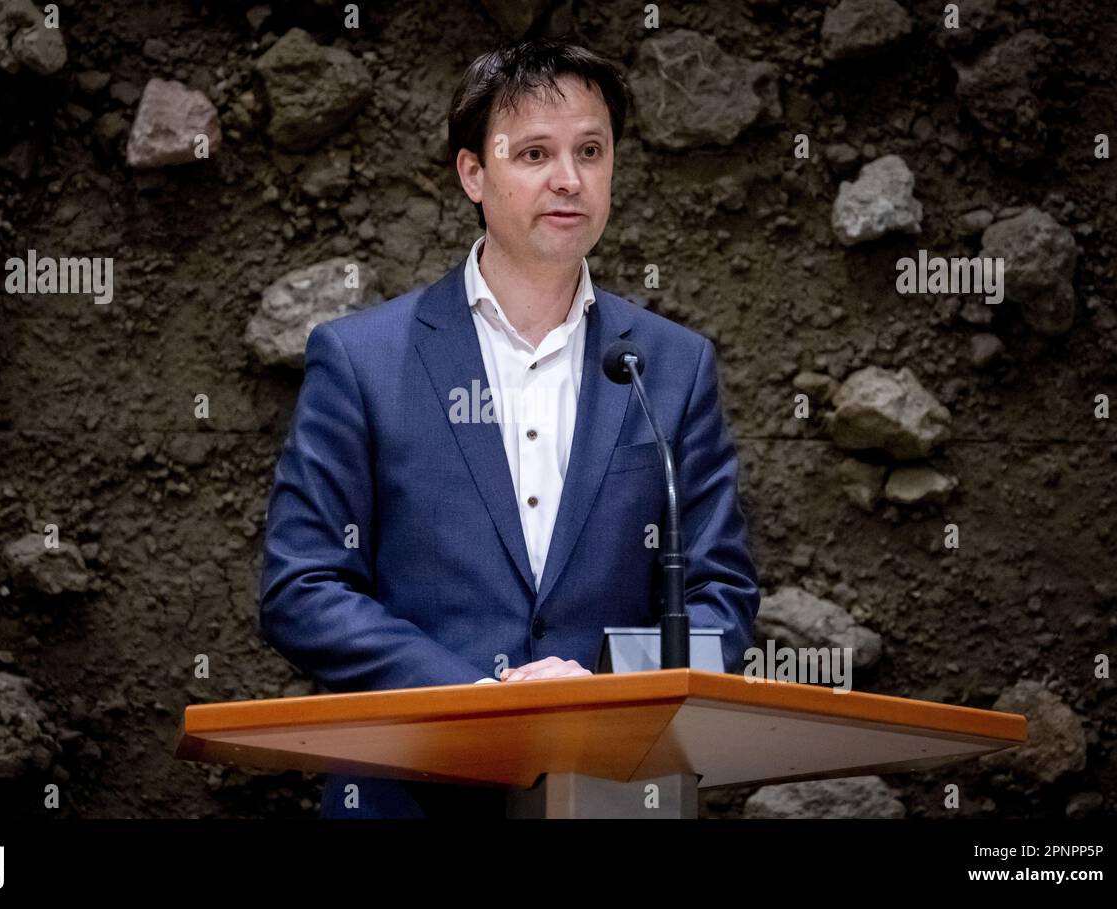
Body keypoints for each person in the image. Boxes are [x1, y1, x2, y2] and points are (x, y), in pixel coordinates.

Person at [259, 38, 761, 818]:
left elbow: (719, 595)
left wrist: (600, 698)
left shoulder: (672, 365)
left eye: (590, 150)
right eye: (534, 152)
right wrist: (483, 698)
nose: (569, 178)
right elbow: (303, 586)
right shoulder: (362, 361)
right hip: (413, 792)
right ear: (472, 173)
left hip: (613, 793)